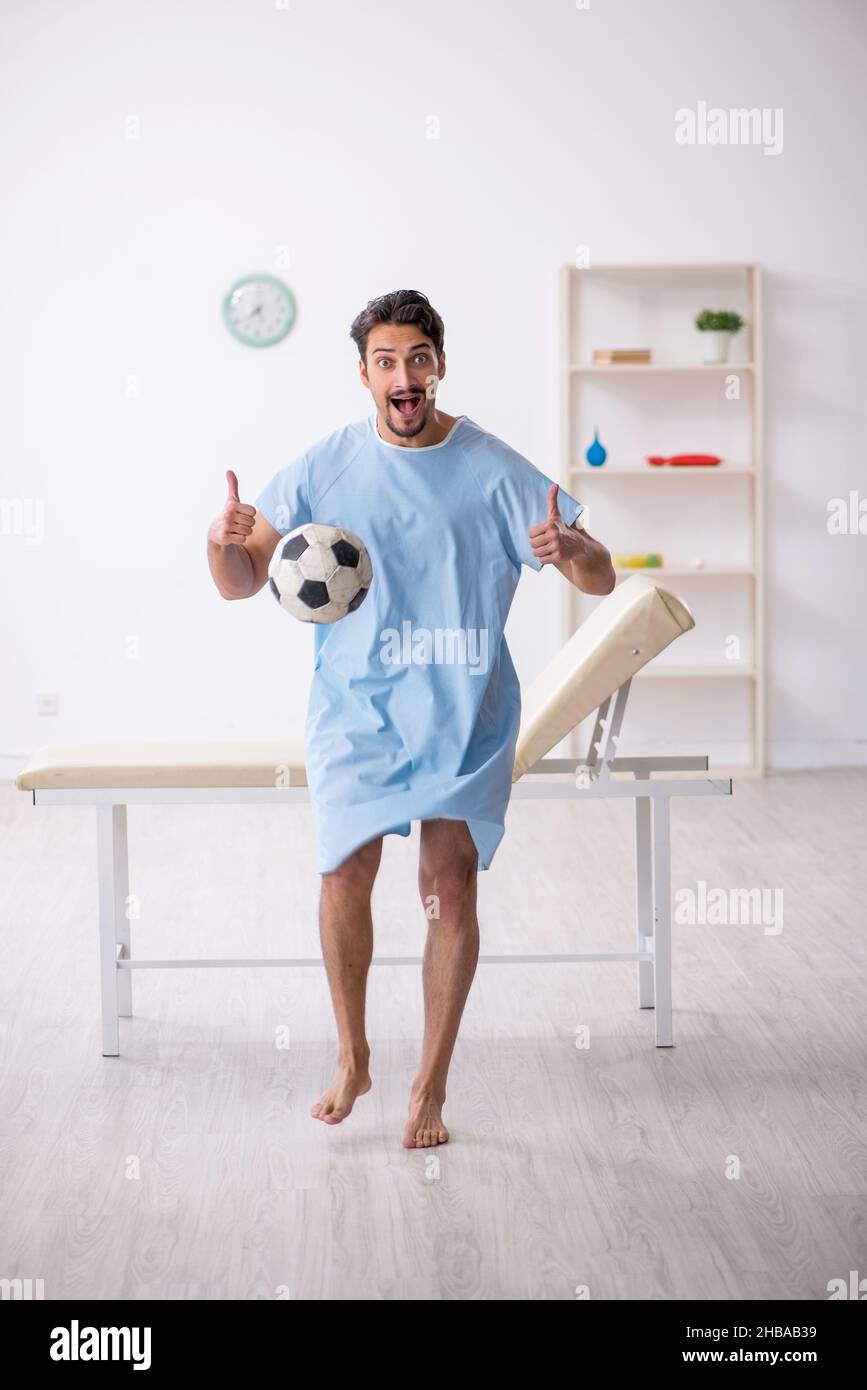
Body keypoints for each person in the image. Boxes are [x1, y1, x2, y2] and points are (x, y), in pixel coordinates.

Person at [207, 290, 615, 1149]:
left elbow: (599, 577)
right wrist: (222, 542)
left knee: (447, 887)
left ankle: (429, 1086)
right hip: (355, 708)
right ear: (364, 375)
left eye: (417, 359)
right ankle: (353, 1056)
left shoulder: (495, 468)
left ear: (438, 366)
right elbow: (245, 584)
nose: (404, 376)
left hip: (461, 708)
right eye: (386, 362)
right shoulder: (325, 465)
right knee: (342, 877)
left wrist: (575, 551)